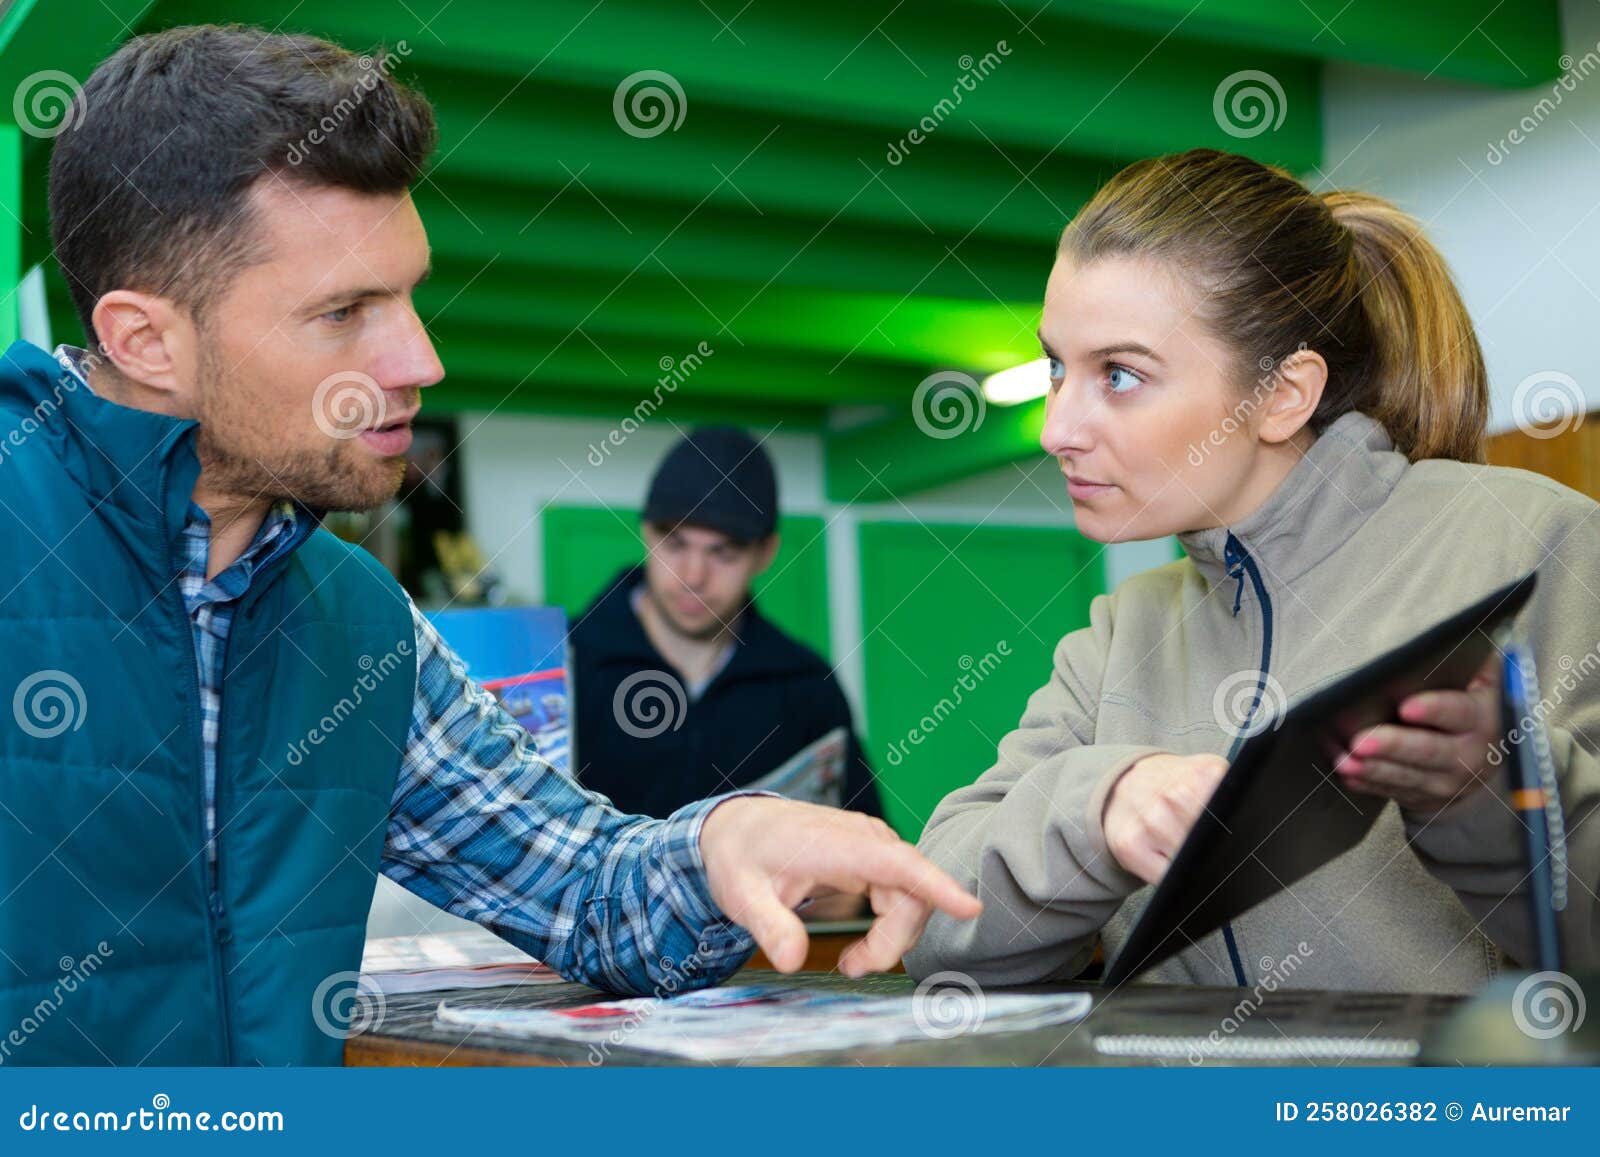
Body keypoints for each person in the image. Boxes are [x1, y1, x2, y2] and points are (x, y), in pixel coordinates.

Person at [0, 25, 977, 1067]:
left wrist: (719, 842)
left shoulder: (359, 622)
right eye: (343, 312)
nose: (419, 357)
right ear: (148, 339)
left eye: (409, 293)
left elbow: (586, 889)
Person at [905, 148, 1599, 992]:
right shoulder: (1123, 629)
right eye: (1057, 366)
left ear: (1282, 395)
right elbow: (929, 920)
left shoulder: (1534, 540)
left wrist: (1491, 797)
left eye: (1118, 374)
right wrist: (1099, 810)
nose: (1057, 428)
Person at [571, 427, 882, 827]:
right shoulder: (561, 662)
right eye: (676, 545)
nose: (693, 576)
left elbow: (866, 854)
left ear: (765, 553)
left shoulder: (807, 687)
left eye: (723, 553)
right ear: (647, 532)